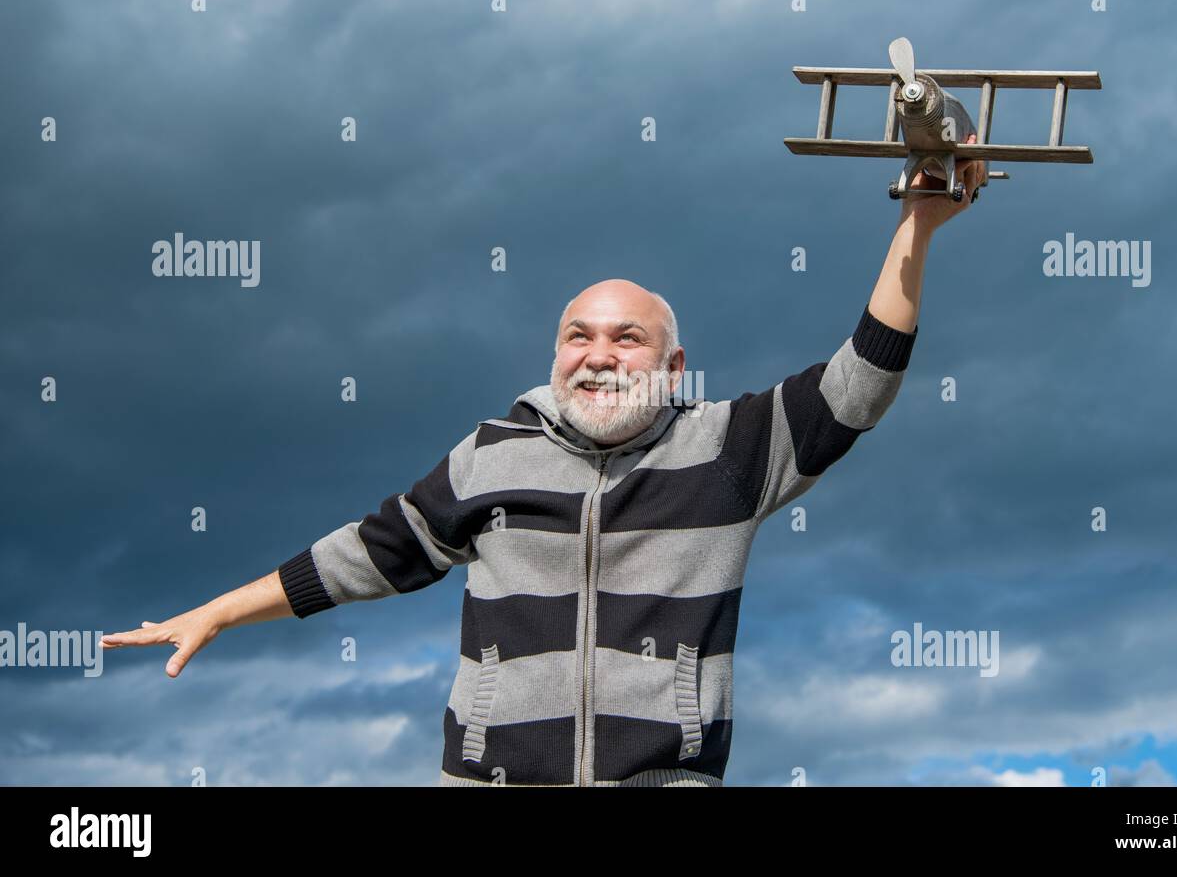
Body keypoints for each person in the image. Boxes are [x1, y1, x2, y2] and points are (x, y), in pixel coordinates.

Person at [102, 145, 988, 786]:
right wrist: (218, 611)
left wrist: (917, 223)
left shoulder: (731, 448)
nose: (598, 355)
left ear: (674, 370)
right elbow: (369, 554)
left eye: (627, 337)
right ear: (555, 354)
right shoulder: (491, 457)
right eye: (578, 336)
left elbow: (857, 386)